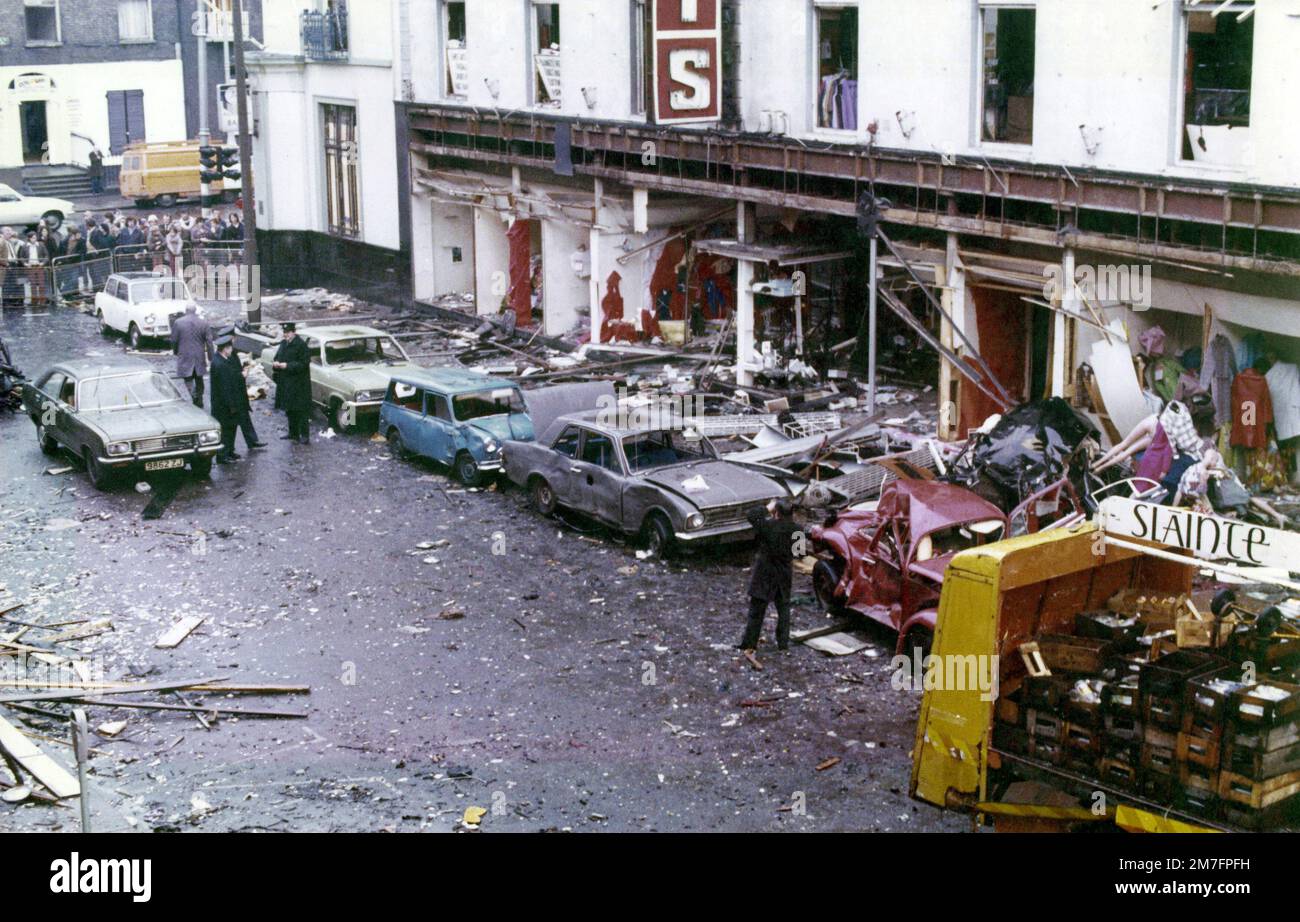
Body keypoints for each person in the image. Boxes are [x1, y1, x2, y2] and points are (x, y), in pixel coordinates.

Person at [737, 498, 801, 652]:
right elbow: (800, 554)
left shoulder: (768, 526)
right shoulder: (798, 529)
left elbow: (752, 515)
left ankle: (749, 644)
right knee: (783, 611)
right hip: (784, 574)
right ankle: (783, 645)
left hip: (765, 573)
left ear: (776, 513)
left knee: (756, 612)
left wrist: (767, 507)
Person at [209, 335, 265, 463]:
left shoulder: (222, 360)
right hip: (224, 405)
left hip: (229, 402)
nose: (231, 351)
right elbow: (225, 388)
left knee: (232, 427)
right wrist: (231, 405)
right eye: (230, 348)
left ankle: (230, 451)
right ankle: (222, 455)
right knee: (226, 430)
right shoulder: (220, 364)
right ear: (225, 349)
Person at [271, 322, 312, 444]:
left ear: (294, 332)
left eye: (288, 333)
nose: (286, 335)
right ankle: (293, 433)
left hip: (299, 384)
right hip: (286, 384)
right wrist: (276, 363)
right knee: (290, 409)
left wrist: (287, 366)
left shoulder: (301, 345)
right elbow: (277, 356)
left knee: (301, 410)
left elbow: (304, 364)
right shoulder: (284, 344)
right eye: (284, 333)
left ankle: (304, 435)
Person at [171, 304, 212, 406]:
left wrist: (175, 351)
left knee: (187, 377)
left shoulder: (178, 323)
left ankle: (194, 395)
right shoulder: (204, 323)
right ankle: (200, 397)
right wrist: (211, 357)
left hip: (185, 354)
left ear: (186, 311)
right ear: (195, 311)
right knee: (199, 378)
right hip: (199, 355)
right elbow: (209, 341)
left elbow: (174, 340)